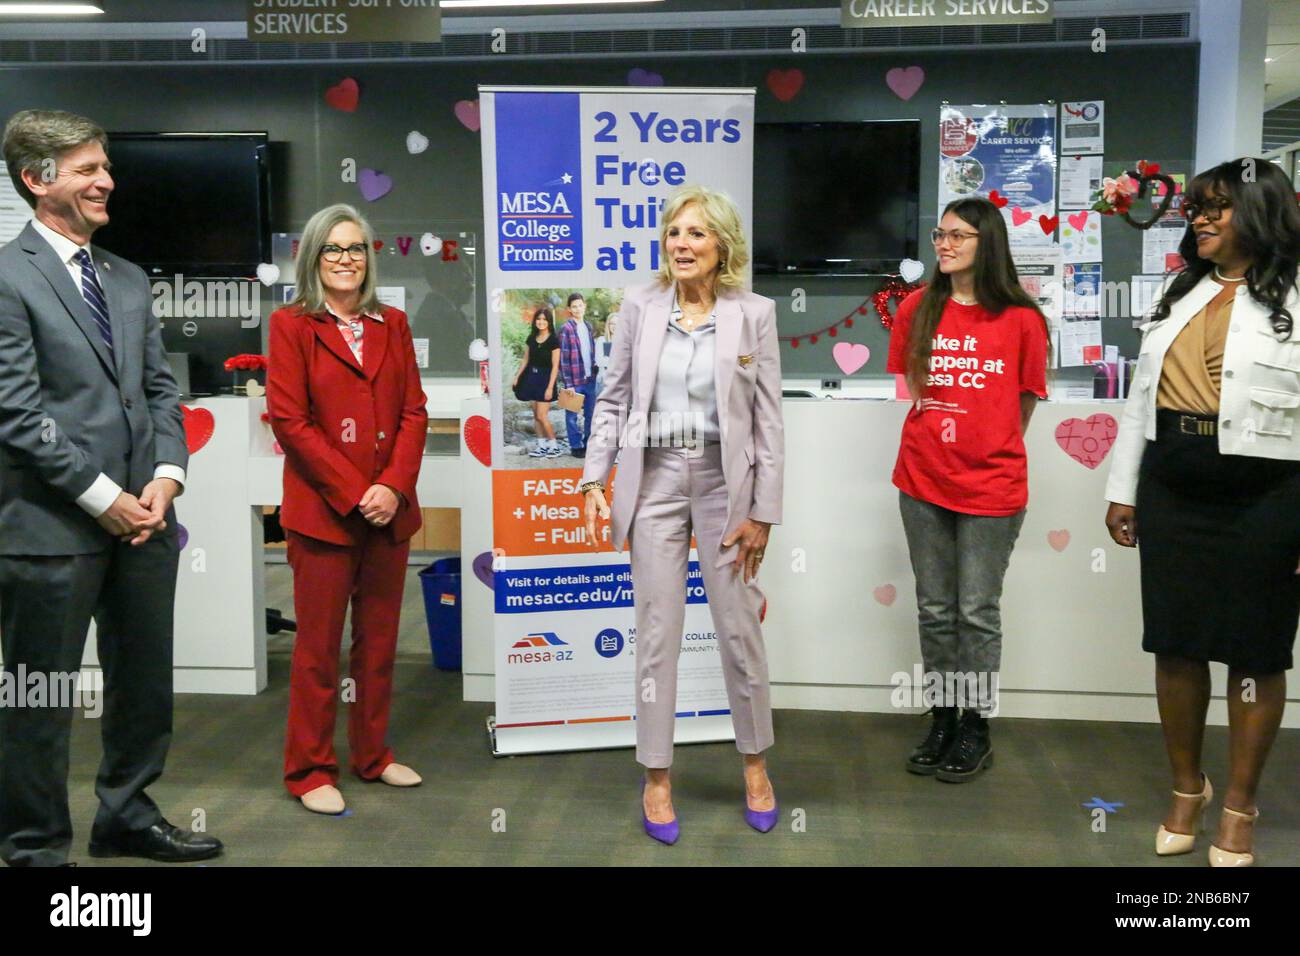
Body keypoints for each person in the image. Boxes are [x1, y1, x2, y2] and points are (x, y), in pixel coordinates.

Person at [0, 109, 223, 865]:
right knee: (39, 698)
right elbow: (19, 417)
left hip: (145, 525)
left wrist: (165, 478)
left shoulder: (125, 278)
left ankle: (126, 815)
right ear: (39, 180)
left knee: (142, 688)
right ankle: (34, 845)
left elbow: (161, 392)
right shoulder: (5, 278)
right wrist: (105, 497)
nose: (107, 181)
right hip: (49, 530)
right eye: (89, 169)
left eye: (105, 166)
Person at [1104, 159, 1300, 867]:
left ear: (1262, 212)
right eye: (1196, 208)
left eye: (1217, 208)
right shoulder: (1180, 291)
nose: (1201, 219)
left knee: (1255, 652)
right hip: (1174, 487)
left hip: (1269, 496)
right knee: (1177, 644)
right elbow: (1139, 400)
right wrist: (1122, 489)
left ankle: (1241, 805)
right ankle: (1188, 789)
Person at [580, 184, 784, 844]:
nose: (681, 244)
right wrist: (592, 478)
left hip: (728, 485)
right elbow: (611, 401)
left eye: (696, 233)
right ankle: (657, 778)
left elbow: (768, 422)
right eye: (673, 232)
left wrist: (764, 510)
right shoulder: (639, 307)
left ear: (721, 244)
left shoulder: (753, 313)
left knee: (738, 631)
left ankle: (756, 767)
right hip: (656, 478)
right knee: (658, 633)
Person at [267, 204, 428, 815]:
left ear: (369, 256)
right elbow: (291, 421)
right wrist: (357, 492)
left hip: (391, 513)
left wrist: (392, 486)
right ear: (313, 257)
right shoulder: (291, 325)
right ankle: (309, 770)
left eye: (355, 248)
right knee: (316, 649)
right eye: (332, 249)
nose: (345, 259)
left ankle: (372, 755)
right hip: (325, 516)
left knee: (379, 642)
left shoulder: (392, 323)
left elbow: (414, 410)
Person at [886, 196, 1050, 783]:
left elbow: (1024, 402)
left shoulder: (1023, 320)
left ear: (989, 243)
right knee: (934, 609)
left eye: (959, 235)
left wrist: (984, 444)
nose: (945, 244)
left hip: (993, 486)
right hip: (922, 478)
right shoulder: (916, 309)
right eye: (940, 234)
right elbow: (913, 384)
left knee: (976, 612)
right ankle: (944, 715)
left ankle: (976, 725)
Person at [511, 306, 562, 459]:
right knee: (536, 415)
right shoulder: (531, 338)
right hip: (531, 378)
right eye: (538, 319)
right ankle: (541, 446)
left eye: (544, 319)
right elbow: (525, 359)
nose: (541, 322)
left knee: (542, 415)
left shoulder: (554, 340)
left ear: (549, 322)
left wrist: (550, 387)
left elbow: (555, 366)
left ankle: (554, 446)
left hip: (546, 379)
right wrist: (517, 376)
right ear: (535, 321)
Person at [559, 292, 598, 458]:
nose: (577, 309)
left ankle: (588, 443)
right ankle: (575, 446)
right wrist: (569, 384)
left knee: (590, 414)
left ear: (585, 306)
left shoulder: (588, 326)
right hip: (574, 380)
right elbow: (564, 359)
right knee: (571, 416)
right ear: (569, 309)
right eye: (574, 306)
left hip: (589, 379)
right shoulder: (566, 329)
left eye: (580, 305)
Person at [594, 311, 619, 393]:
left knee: (620, 405)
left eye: (617, 323)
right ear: (608, 325)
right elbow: (599, 361)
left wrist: (607, 358)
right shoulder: (602, 340)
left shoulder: (623, 343)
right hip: (604, 379)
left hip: (619, 381)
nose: (614, 326)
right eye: (612, 323)